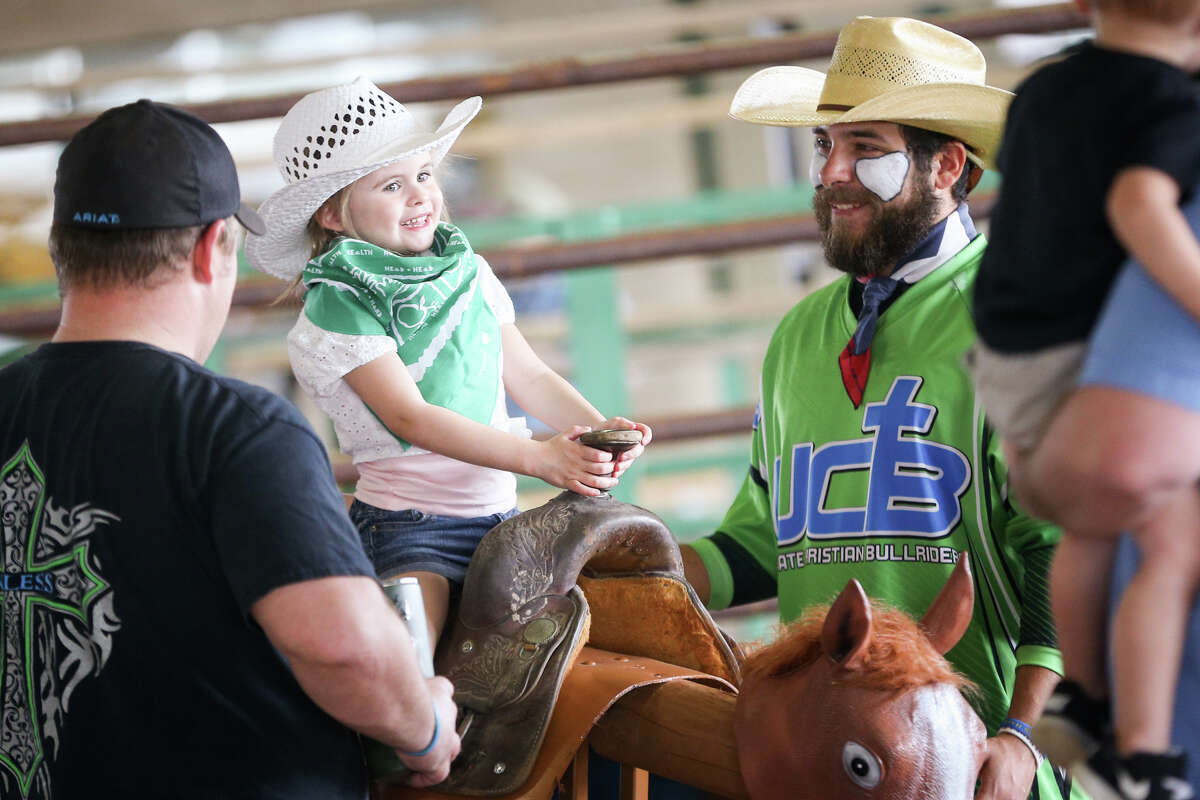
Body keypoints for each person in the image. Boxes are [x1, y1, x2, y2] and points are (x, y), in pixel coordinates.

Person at [0, 99, 460, 798]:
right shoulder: (236, 429)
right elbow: (346, 649)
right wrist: (424, 728)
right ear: (213, 246)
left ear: (62, 250)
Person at [679, 17, 1081, 800]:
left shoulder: (1019, 319)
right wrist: (632, 564)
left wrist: (1023, 737)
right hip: (827, 764)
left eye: (866, 148)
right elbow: (766, 539)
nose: (832, 172)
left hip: (975, 762)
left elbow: (1063, 553)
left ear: (947, 166)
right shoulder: (798, 334)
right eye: (825, 145)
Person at [244, 77, 651, 655]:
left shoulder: (467, 273)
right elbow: (409, 417)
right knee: (414, 650)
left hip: (502, 519)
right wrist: (540, 458)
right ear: (332, 214)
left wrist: (597, 430)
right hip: (412, 528)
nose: (419, 196)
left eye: (425, 175)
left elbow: (529, 375)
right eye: (392, 185)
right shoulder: (340, 304)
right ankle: (409, 714)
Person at [972, 0, 1200, 796]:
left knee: (1086, 528)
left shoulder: (1043, 88)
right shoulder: (1172, 104)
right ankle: (1140, 757)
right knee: (1169, 549)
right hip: (1084, 360)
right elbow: (1139, 208)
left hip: (1006, 353)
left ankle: (1081, 698)